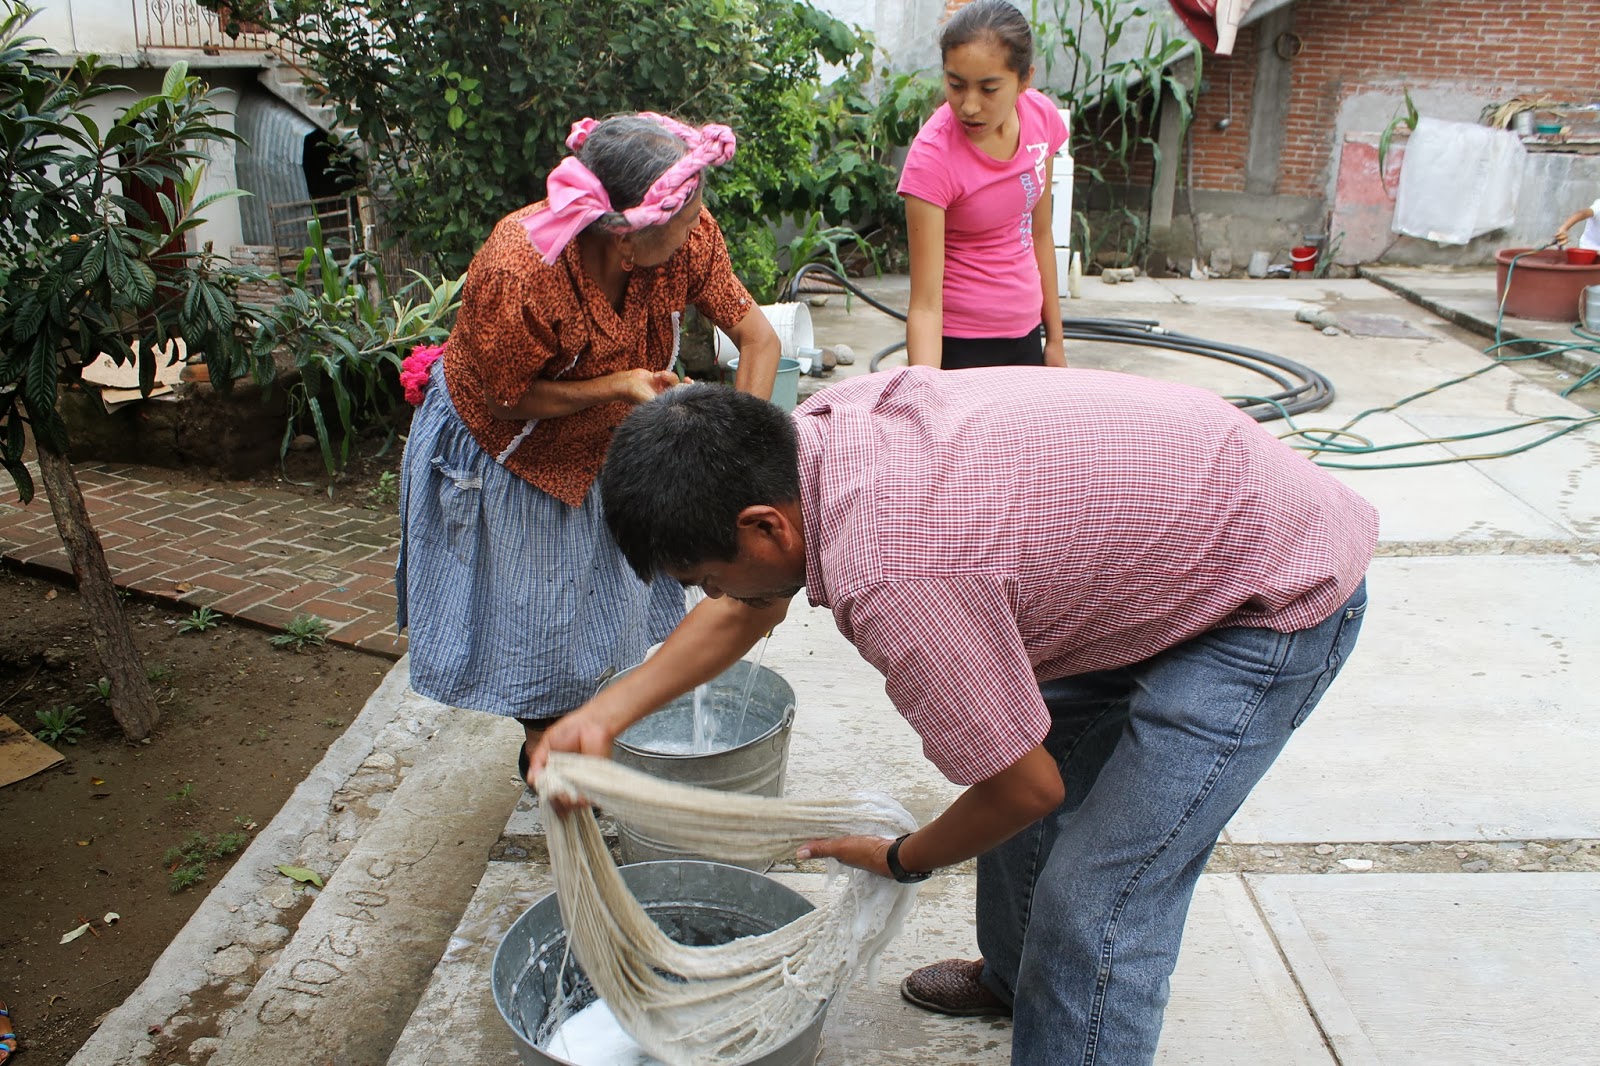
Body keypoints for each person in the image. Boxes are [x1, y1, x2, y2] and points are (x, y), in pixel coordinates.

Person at [531, 368, 1378, 1065]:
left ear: (764, 526)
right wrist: (602, 718)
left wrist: (903, 858)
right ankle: (1015, 979)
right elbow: (755, 601)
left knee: (1097, 903)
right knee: (1007, 744)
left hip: (1268, 594)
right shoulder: (814, 436)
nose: (712, 597)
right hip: (1169, 543)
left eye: (706, 576)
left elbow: (1025, 790)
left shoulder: (896, 576)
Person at [396, 113, 780, 782]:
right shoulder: (521, 269)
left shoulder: (686, 235)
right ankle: (548, 754)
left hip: (607, 443)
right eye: (687, 225)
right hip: (513, 449)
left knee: (610, 615)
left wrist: (737, 470)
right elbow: (507, 399)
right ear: (627, 245)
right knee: (541, 632)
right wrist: (617, 384)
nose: (700, 233)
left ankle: (587, 730)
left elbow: (760, 340)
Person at [900, 0, 1070, 370]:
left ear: (1025, 80)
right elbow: (925, 305)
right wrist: (925, 389)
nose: (969, 106)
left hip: (1026, 334)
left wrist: (1054, 340)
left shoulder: (1042, 120)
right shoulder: (931, 158)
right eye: (956, 85)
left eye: (989, 89)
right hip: (960, 345)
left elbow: (1040, 235)